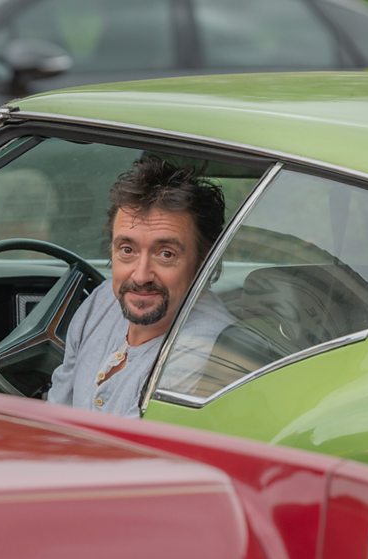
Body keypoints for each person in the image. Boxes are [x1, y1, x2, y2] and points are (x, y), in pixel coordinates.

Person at [47, 156, 233, 417]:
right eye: (127, 250)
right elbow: (58, 417)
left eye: (165, 254)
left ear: (204, 262)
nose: (141, 276)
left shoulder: (205, 352)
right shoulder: (103, 301)